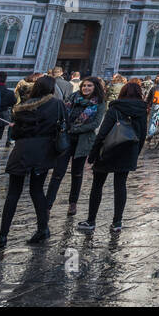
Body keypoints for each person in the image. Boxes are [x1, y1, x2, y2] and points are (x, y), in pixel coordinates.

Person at [0, 74, 67, 248]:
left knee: (13, 194)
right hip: (43, 151)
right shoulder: (57, 104)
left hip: (22, 151)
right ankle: (43, 229)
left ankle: (3, 236)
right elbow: (64, 126)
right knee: (37, 190)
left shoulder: (22, 107)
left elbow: (16, 133)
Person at [81, 80, 148, 232]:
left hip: (108, 150)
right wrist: (135, 153)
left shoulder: (115, 108)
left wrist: (92, 155)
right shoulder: (142, 110)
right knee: (120, 185)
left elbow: (102, 133)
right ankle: (117, 222)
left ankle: (91, 221)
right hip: (128, 150)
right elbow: (142, 135)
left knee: (97, 185)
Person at [46, 76, 105, 216]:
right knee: (57, 173)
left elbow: (95, 124)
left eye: (89, 86)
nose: (86, 88)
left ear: (95, 87)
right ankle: (47, 205)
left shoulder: (100, 103)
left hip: (83, 142)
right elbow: (62, 115)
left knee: (77, 173)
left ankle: (73, 203)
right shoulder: (73, 98)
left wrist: (74, 129)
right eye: (84, 85)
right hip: (66, 139)